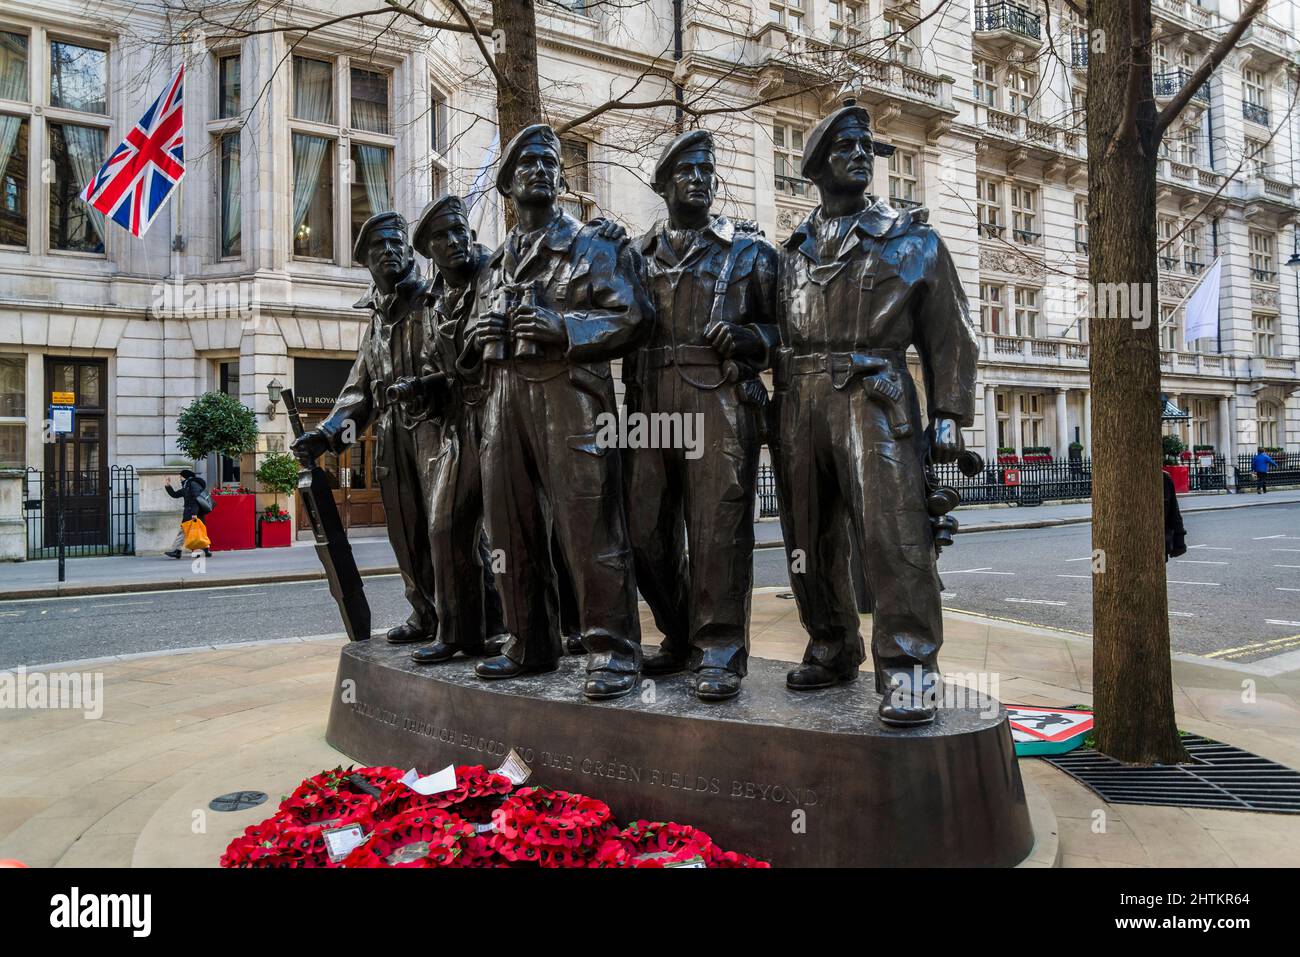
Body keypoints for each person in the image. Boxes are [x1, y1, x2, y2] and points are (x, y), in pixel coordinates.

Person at [770, 101, 979, 726]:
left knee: (895, 539)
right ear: (815, 166)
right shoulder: (792, 251)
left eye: (867, 147)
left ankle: (909, 670)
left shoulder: (913, 241)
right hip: (800, 398)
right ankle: (831, 645)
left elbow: (951, 334)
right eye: (847, 147)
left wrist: (948, 413)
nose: (862, 156)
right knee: (808, 537)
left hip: (876, 395)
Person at [469, 123, 652, 700]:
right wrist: (481, 334)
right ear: (507, 184)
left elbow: (634, 316)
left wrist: (564, 326)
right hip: (503, 401)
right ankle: (528, 641)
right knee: (510, 525)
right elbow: (466, 346)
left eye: (550, 163)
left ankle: (612, 650)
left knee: (589, 526)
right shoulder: (494, 265)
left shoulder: (593, 246)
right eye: (528, 164)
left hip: (571, 398)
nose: (542, 171)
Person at [623, 129, 779, 701]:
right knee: (643, 532)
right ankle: (680, 631)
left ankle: (719, 648)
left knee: (718, 529)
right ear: (663, 185)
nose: (698, 180)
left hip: (718, 397)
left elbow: (789, 330)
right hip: (648, 399)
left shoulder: (750, 253)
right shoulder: (634, 257)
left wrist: (752, 338)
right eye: (685, 171)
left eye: (706, 171)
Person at [291, 211, 441, 646]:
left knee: (449, 529)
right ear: (366, 261)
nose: (390, 252)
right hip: (393, 438)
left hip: (437, 430)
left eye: (397, 244)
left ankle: (475, 615)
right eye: (379, 247)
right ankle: (425, 612)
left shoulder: (433, 300)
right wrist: (325, 434)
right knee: (405, 531)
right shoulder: (376, 318)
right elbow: (360, 391)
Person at [400, 194, 506, 664]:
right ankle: (457, 631)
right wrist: (419, 389)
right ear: (429, 251)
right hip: (460, 423)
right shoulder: (432, 301)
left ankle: (522, 631)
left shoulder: (496, 274)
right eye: (443, 236)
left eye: (460, 231)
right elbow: (436, 367)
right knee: (445, 526)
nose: (456, 241)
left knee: (513, 531)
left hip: (504, 412)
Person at [164, 469, 211, 558]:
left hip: (192, 512)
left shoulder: (192, 485)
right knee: (199, 531)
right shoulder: (188, 485)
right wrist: (168, 486)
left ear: (185, 476)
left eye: (181, 477)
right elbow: (175, 494)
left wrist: (194, 513)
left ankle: (176, 551)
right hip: (195, 512)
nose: (180, 479)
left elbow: (195, 499)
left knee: (183, 531)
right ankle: (206, 549)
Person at [1163, 471, 1187, 560]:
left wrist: (1179, 542)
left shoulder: (1164, 478)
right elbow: (1174, 513)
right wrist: (1179, 543)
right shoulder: (1164, 477)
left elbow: (1174, 513)